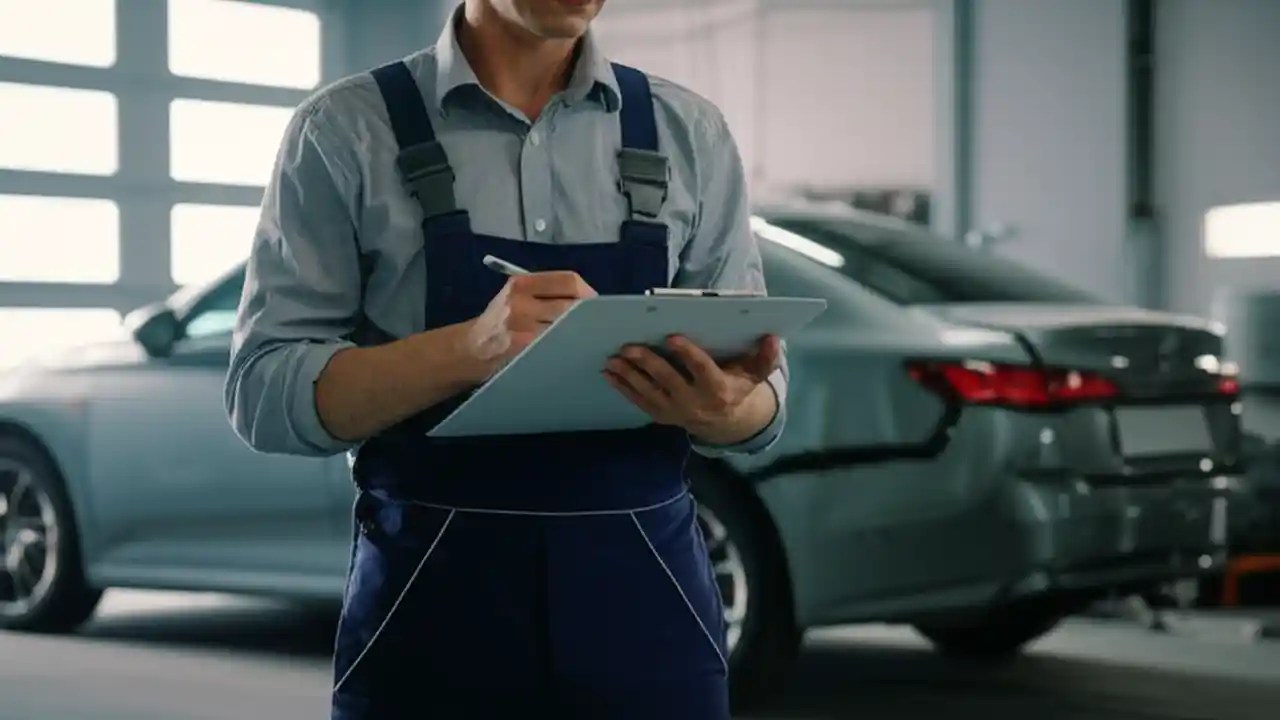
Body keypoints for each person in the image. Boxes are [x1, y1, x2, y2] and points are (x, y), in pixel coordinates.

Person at [224, 0, 789, 717]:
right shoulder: (345, 130)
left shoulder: (691, 134)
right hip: (433, 610)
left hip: (649, 606)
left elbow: (765, 396)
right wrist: (468, 348)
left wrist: (729, 408)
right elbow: (263, 389)